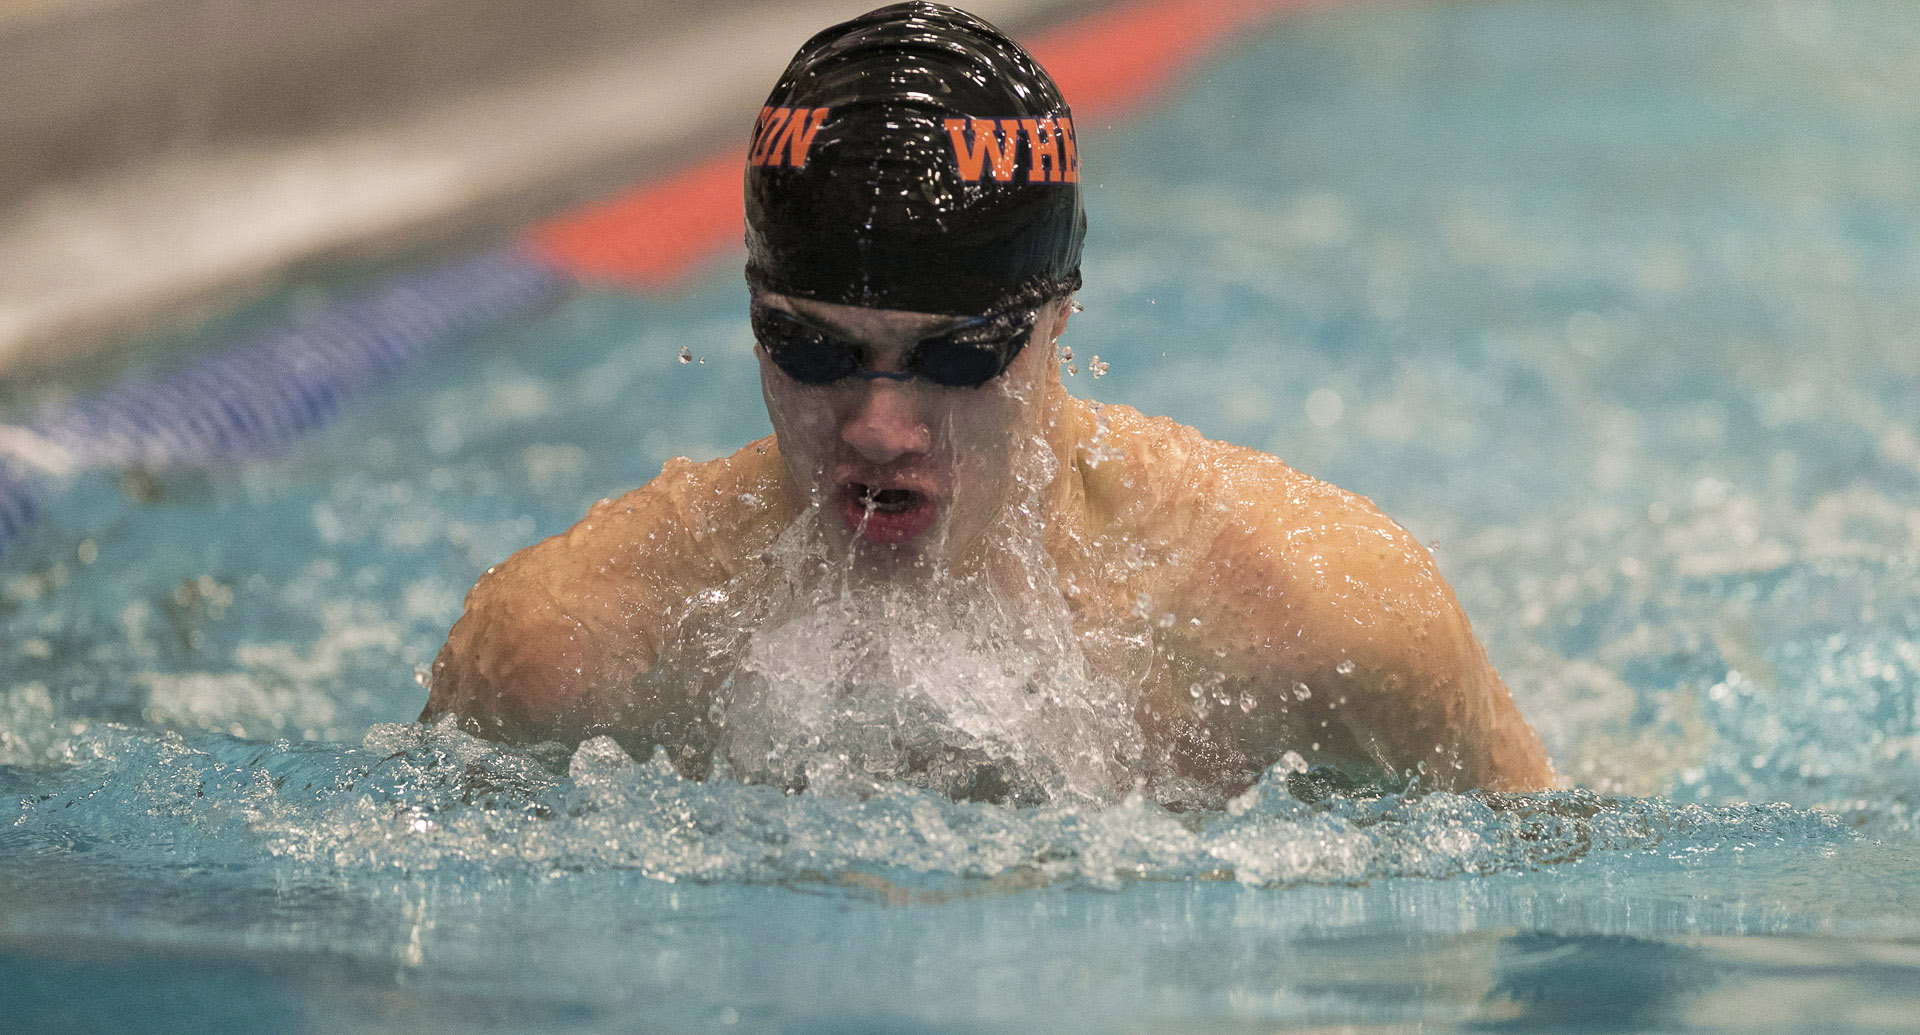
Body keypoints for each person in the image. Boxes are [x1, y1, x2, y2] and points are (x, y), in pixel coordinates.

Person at [421, 2, 1554, 804]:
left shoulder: (1322, 616)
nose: (877, 427)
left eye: (959, 359)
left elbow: (1550, 923)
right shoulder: (571, 647)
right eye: (812, 349)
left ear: (1056, 320)